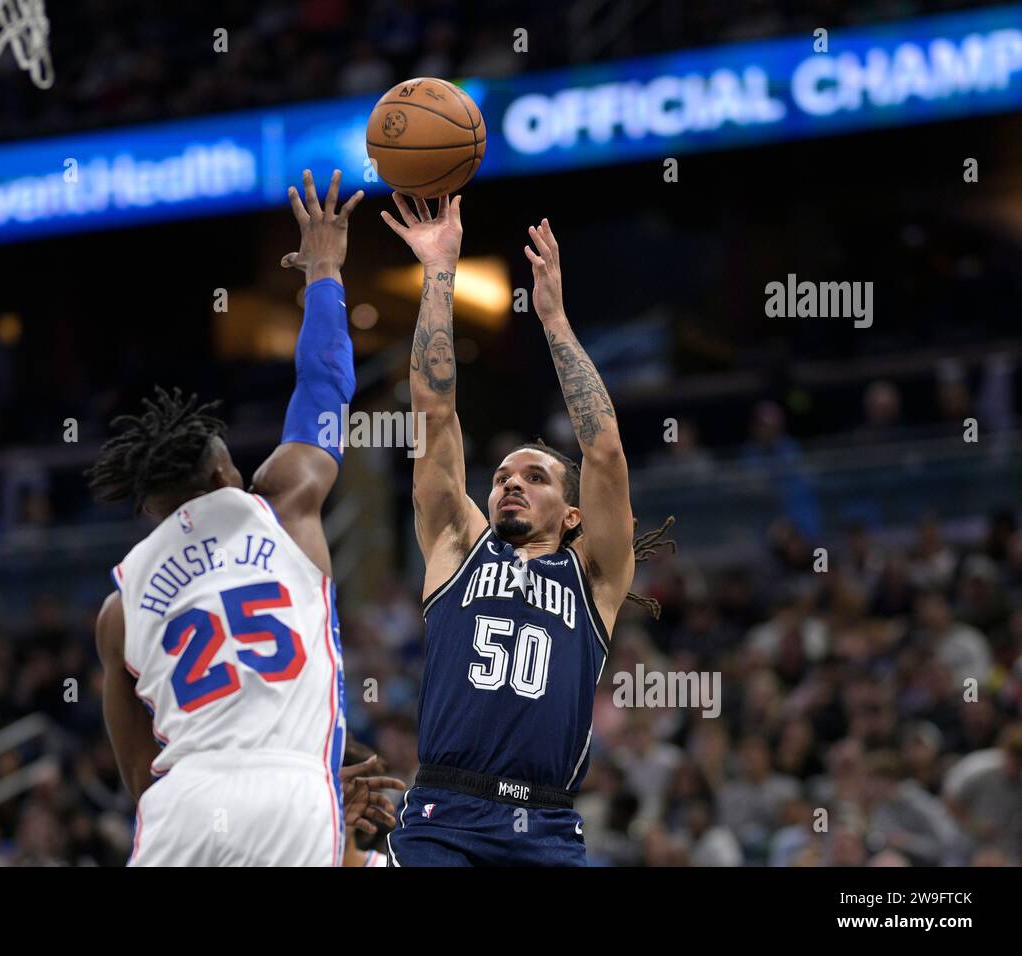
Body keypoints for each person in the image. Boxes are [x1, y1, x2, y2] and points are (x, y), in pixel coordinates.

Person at [92, 170, 391, 866]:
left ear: (151, 507)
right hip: (293, 791)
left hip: (185, 807)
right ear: (227, 474)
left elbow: (140, 779)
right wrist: (324, 270)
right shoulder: (284, 504)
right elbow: (324, 384)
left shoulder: (119, 609)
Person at [378, 193, 672, 866]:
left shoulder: (594, 576)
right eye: (504, 474)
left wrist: (554, 320)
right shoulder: (459, 546)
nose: (512, 481)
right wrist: (439, 272)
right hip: (441, 814)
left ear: (574, 515)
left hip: (544, 827)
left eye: (536, 476)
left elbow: (604, 453)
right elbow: (432, 410)